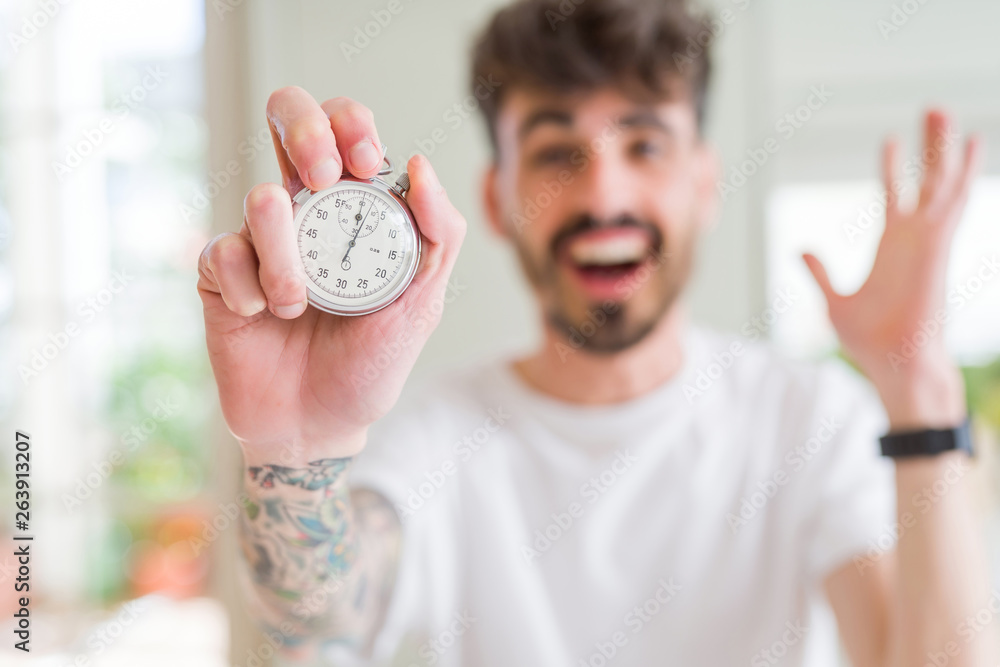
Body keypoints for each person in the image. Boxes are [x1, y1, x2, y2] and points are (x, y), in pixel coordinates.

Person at [196, 0, 996, 664]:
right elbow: (316, 622)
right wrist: (297, 449)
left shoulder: (811, 420)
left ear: (705, 184)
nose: (604, 191)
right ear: (498, 198)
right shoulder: (439, 437)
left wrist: (919, 391)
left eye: (646, 144)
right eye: (555, 152)